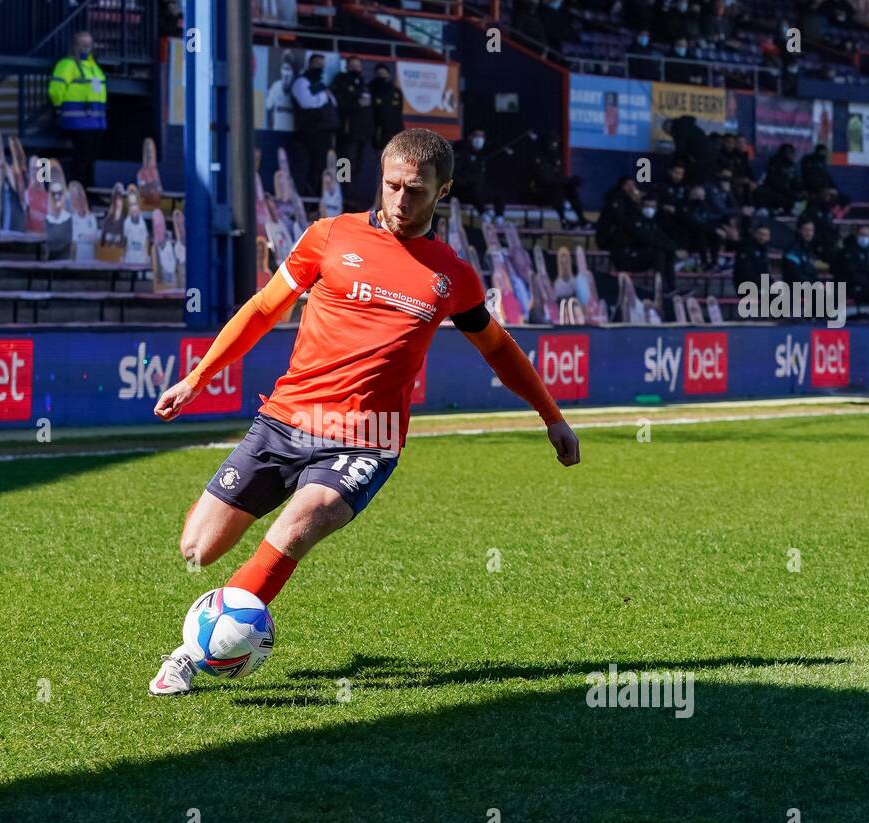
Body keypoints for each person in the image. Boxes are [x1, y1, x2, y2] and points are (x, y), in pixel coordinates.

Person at [147, 128, 580, 695]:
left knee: (299, 524)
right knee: (197, 549)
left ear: (443, 191)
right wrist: (198, 376)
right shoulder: (329, 236)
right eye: (393, 186)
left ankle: (197, 653)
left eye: (417, 191)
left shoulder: (451, 275)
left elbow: (498, 348)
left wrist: (552, 415)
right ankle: (227, 618)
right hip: (284, 420)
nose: (401, 200)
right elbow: (261, 310)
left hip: (366, 439)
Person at [48, 32, 107, 189]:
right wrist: (58, 109)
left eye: (89, 44)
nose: (87, 47)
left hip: (96, 122)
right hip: (78, 121)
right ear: (75, 45)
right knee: (81, 159)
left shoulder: (93, 66)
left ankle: (88, 191)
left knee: (90, 160)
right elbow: (55, 90)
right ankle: (78, 191)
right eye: (83, 43)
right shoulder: (67, 64)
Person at [291, 54, 340, 195]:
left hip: (329, 132)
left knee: (334, 166)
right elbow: (307, 102)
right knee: (314, 166)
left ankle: (329, 198)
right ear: (310, 64)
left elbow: (334, 104)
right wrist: (323, 96)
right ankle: (310, 201)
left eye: (322, 65)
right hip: (311, 131)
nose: (320, 68)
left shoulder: (323, 85)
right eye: (317, 64)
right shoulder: (302, 82)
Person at [331, 57, 372, 208]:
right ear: (347, 66)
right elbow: (339, 103)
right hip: (346, 132)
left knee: (357, 166)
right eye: (353, 65)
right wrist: (356, 103)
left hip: (362, 133)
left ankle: (353, 196)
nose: (356, 68)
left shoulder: (362, 82)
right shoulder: (341, 80)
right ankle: (344, 194)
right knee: (344, 162)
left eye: (358, 66)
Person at [452, 129, 504, 223]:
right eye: (477, 136)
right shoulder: (462, 152)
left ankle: (499, 218)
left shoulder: (482, 155)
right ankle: (483, 214)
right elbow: (456, 174)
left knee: (498, 192)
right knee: (473, 190)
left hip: (479, 189)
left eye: (482, 136)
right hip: (463, 190)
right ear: (470, 137)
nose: (479, 139)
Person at [369, 64, 405, 152]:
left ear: (389, 74)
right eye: (380, 73)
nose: (382, 75)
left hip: (393, 128)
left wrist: (399, 128)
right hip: (378, 128)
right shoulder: (371, 88)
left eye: (384, 73)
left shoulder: (395, 90)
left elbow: (399, 111)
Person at [733, 222, 772, 291]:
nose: (762, 237)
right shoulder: (747, 248)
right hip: (747, 287)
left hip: (761, 287)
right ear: (755, 234)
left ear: (769, 237)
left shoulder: (763, 251)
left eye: (765, 235)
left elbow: (766, 272)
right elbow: (746, 274)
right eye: (760, 234)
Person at [782, 220, 820, 285]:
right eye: (806, 230)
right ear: (799, 230)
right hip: (794, 291)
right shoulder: (792, 250)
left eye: (811, 230)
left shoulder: (808, 249)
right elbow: (796, 276)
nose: (809, 233)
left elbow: (812, 272)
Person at [68, 182, 99, 261]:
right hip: (76, 262)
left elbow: (95, 239)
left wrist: (81, 236)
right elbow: (73, 239)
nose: (78, 199)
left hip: (91, 262)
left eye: (79, 196)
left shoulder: (92, 218)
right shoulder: (70, 219)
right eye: (74, 196)